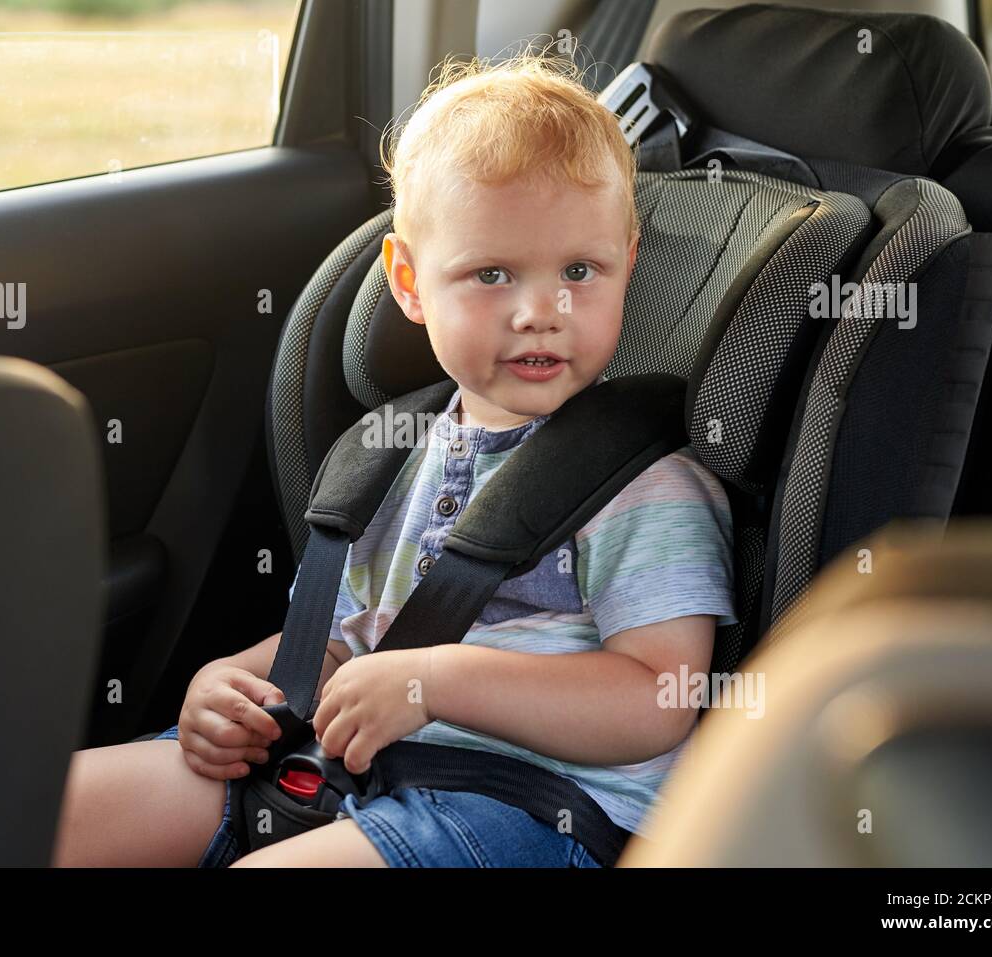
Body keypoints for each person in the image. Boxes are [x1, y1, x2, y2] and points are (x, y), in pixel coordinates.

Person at [53, 44, 736, 868]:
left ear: (628, 263)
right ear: (409, 283)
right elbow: (338, 642)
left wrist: (433, 684)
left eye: (579, 271)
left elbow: (657, 697)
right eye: (491, 274)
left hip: (526, 805)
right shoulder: (386, 458)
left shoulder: (645, 484)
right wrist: (229, 683)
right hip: (344, 762)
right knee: (42, 810)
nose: (539, 312)